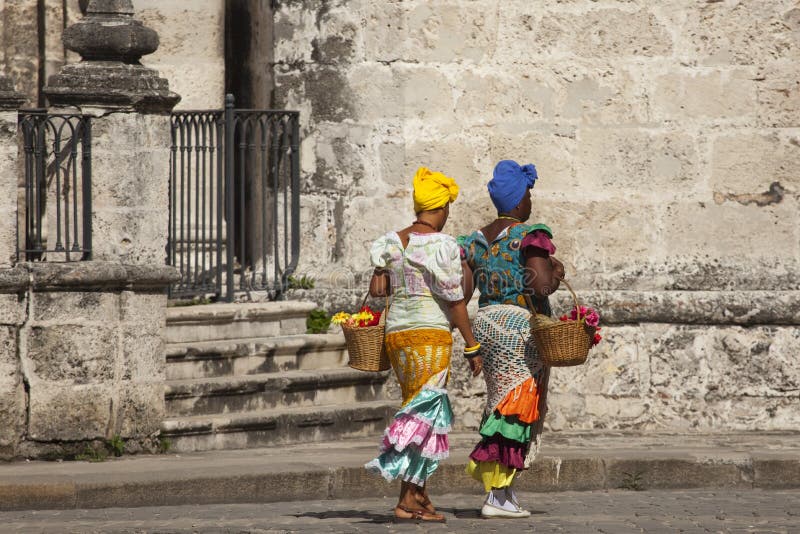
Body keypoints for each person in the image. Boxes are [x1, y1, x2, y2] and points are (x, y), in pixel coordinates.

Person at [365, 166, 483, 523]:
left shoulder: (393, 241)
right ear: (442, 208)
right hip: (430, 339)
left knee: (419, 413)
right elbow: (455, 300)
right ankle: (406, 500)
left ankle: (418, 495)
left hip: (398, 338)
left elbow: (376, 291)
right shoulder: (442, 244)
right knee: (425, 415)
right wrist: (472, 345)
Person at [459, 160, 564, 519]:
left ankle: (501, 489)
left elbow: (464, 291)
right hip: (518, 330)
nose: (531, 201)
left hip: (486, 324)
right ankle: (498, 495)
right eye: (529, 194)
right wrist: (556, 271)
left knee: (500, 403)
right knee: (518, 406)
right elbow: (540, 285)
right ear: (519, 201)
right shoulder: (529, 235)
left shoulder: (476, 239)